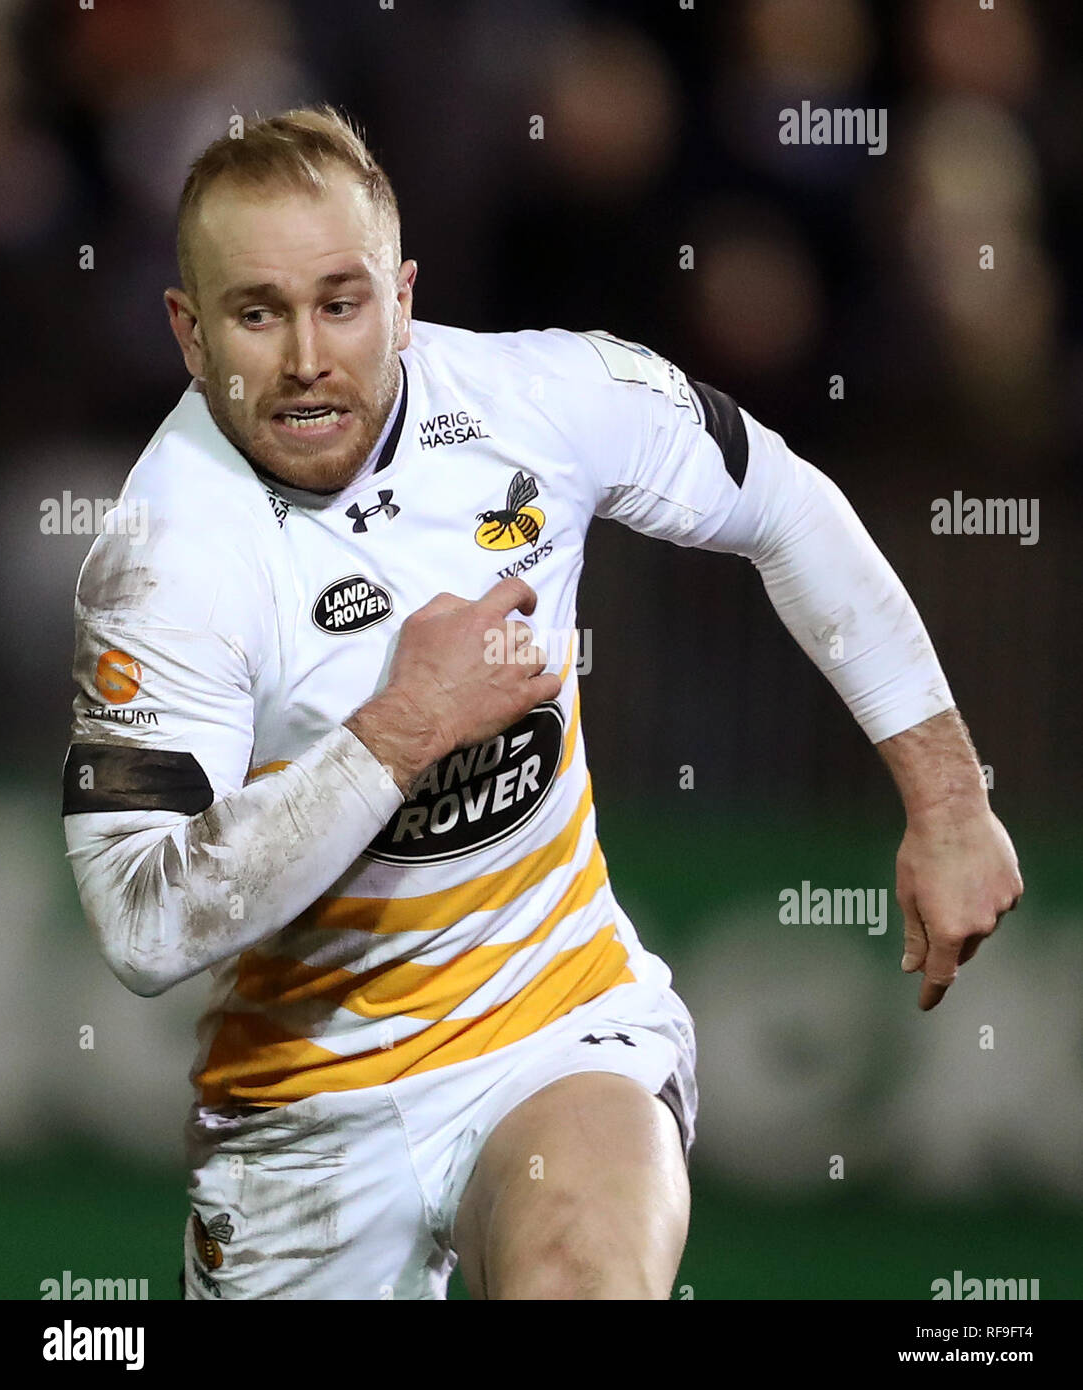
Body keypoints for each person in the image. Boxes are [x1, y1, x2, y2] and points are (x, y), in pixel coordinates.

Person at [61, 106, 1023, 1301]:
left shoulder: (540, 398)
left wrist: (944, 799)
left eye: (342, 301)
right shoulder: (166, 558)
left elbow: (782, 503)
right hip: (302, 1118)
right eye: (257, 312)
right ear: (189, 332)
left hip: (550, 1026)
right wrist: (404, 726)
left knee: (586, 1279)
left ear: (403, 297)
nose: (307, 354)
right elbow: (144, 928)